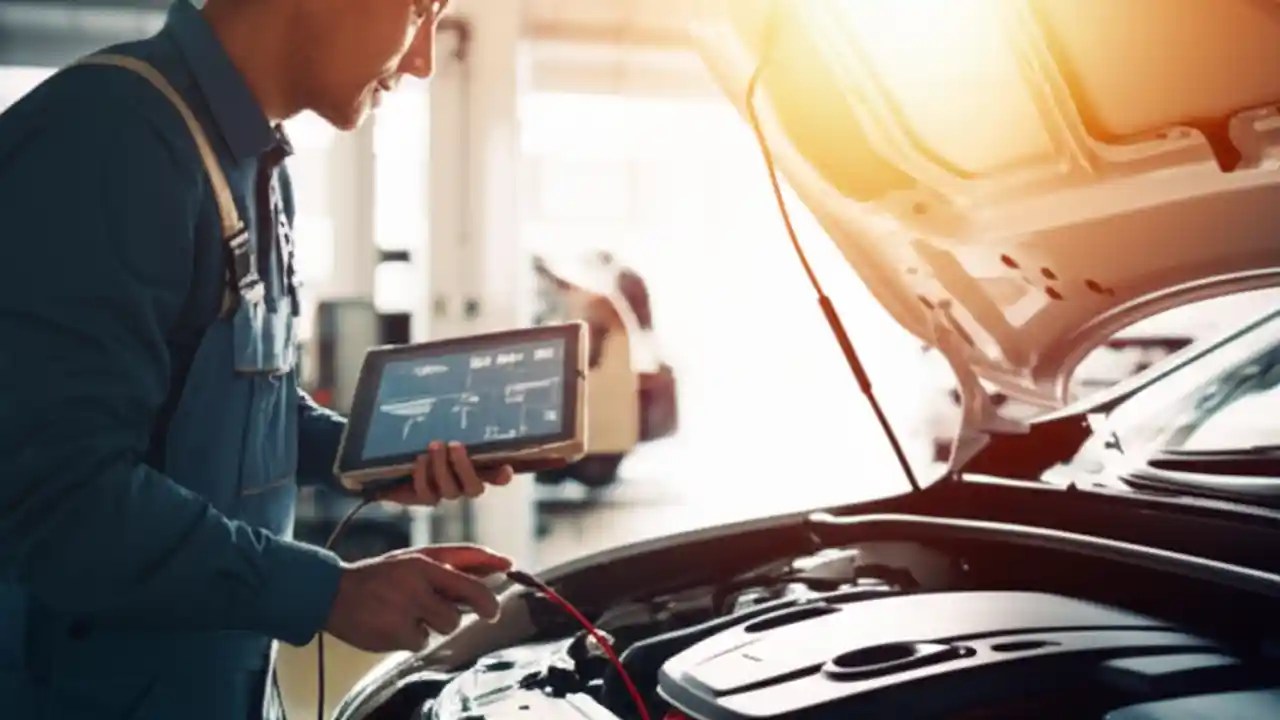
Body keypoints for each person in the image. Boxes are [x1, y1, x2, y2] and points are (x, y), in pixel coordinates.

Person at [0, 0, 515, 717]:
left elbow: (232, 405)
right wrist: (328, 590)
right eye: (421, 10)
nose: (424, 58)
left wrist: (364, 452)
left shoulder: (254, 164)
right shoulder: (107, 139)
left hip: (216, 685)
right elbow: (62, 495)